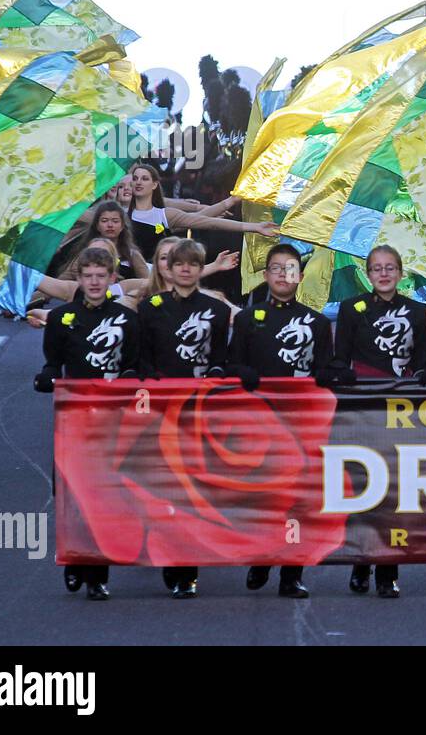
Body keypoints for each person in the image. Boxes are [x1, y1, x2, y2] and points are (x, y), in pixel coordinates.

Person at [322, 244, 426, 598]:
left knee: (394, 491)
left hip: (401, 410)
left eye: (390, 268)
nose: (383, 274)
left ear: (401, 273)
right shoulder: (352, 310)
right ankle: (360, 561)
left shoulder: (418, 311)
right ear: (368, 275)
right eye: (376, 269)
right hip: (364, 407)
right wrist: (340, 377)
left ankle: (388, 570)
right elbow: (341, 359)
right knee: (364, 487)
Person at [33, 246, 140, 601]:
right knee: (69, 492)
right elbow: (53, 363)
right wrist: (46, 377)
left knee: (104, 494)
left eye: (101, 276)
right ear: (78, 279)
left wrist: (128, 378)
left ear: (112, 279)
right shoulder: (62, 317)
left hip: (113, 417)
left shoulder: (126, 319)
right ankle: (75, 559)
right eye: (88, 276)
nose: (94, 282)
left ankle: (98, 574)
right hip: (76, 416)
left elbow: (135, 363)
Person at [230, 244, 333, 599]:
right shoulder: (246, 319)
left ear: (300, 276)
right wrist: (242, 373)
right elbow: (232, 366)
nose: (283, 275)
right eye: (276, 268)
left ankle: (292, 574)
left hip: (302, 424)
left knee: (299, 499)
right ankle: (262, 557)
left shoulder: (317, 323)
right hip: (259, 424)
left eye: (290, 269)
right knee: (264, 498)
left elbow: (325, 367)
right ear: (265, 275)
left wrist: (332, 374)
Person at [136, 238, 233, 598]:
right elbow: (141, 359)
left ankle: (187, 567)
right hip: (161, 412)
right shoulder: (150, 308)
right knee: (164, 488)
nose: (186, 270)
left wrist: (221, 371)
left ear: (200, 267)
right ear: (169, 269)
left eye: (193, 264)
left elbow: (223, 355)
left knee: (193, 490)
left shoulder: (217, 309)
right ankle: (167, 553)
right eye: (179, 264)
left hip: (200, 411)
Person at [126, 163, 277, 262]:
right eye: (135, 178)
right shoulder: (119, 215)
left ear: (154, 185)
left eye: (144, 179)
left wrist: (254, 226)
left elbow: (208, 222)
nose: (139, 182)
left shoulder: (163, 215)